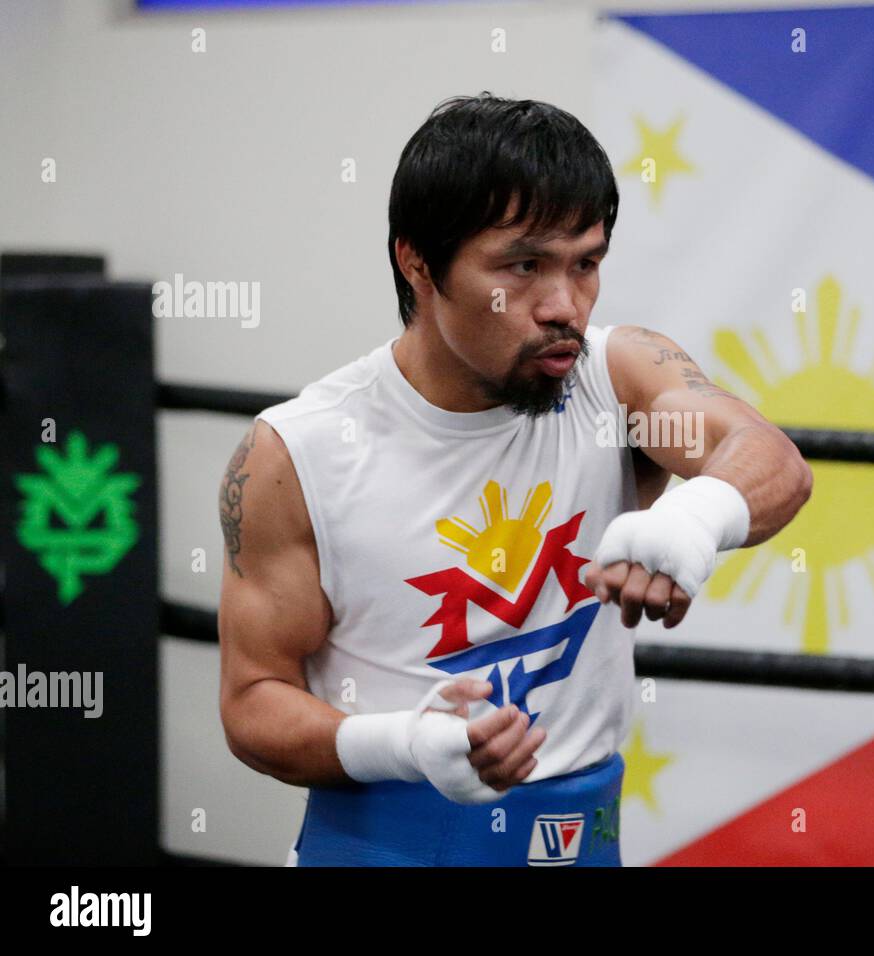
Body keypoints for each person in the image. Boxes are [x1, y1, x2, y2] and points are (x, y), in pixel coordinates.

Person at [216, 92, 812, 867]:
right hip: (376, 847)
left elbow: (771, 460)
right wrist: (401, 744)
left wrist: (695, 518)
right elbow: (252, 703)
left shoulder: (615, 377)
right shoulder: (298, 451)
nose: (563, 305)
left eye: (586, 263)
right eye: (523, 266)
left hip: (579, 844)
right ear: (418, 263)